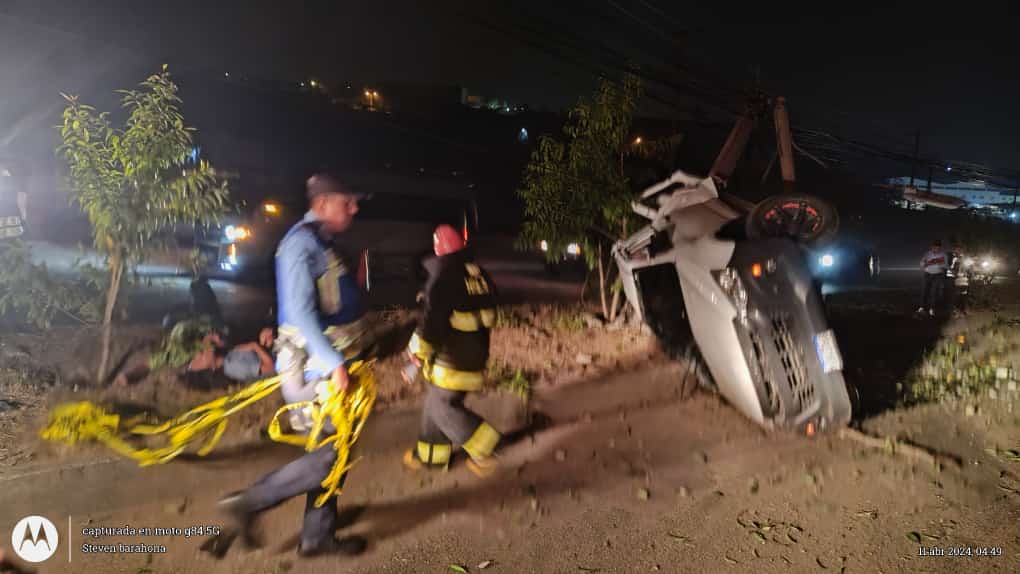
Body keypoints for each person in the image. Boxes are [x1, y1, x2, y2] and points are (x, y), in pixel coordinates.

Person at [213, 173, 370, 558]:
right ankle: (248, 503)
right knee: (330, 453)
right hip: (311, 369)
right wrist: (335, 364)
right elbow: (300, 313)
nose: (355, 208)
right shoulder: (300, 245)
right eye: (346, 201)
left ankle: (317, 536)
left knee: (335, 448)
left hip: (324, 366)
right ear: (321, 204)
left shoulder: (319, 243)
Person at [401, 224, 502, 478]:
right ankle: (431, 456)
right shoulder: (479, 274)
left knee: (442, 408)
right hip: (476, 354)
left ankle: (486, 448)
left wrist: (416, 353)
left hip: (451, 361)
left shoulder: (444, 277)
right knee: (434, 404)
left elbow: (431, 325)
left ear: (438, 251)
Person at [917, 239, 947, 317]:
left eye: (937, 247)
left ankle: (932, 309)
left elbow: (945, 266)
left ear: (940, 247)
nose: (935, 249)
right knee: (924, 291)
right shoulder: (927, 254)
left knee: (934, 292)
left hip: (937, 275)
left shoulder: (943, 255)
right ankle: (922, 307)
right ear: (931, 247)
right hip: (927, 274)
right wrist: (923, 265)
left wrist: (940, 264)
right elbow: (921, 263)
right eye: (934, 247)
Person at [946, 239, 969, 317]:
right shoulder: (951, 256)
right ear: (955, 250)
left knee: (963, 294)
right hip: (953, 278)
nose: (959, 251)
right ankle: (954, 310)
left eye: (960, 249)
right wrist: (953, 270)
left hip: (963, 279)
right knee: (954, 295)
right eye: (957, 249)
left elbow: (967, 267)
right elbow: (947, 266)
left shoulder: (964, 257)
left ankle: (963, 310)